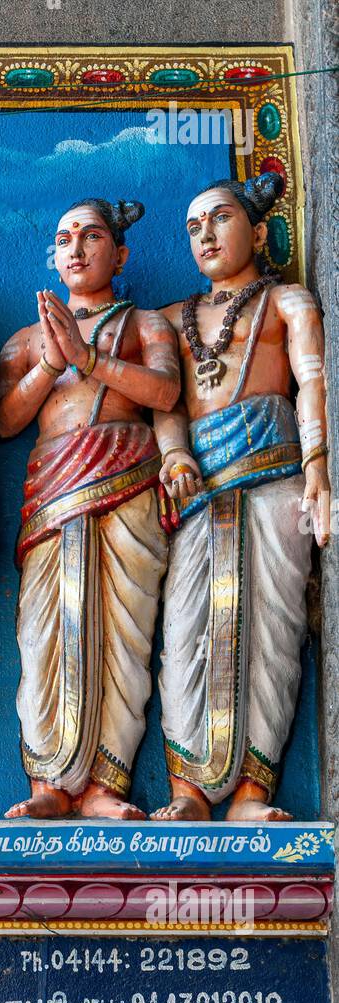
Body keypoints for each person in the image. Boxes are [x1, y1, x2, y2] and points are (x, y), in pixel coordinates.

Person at [152, 173, 330, 822]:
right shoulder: (172, 319)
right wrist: (172, 453)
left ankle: (253, 791)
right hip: (198, 495)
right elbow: (165, 403)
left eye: (218, 220)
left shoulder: (287, 304)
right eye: (193, 227)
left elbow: (311, 385)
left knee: (271, 635)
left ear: (255, 231)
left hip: (273, 479)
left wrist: (315, 467)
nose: (204, 236)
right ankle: (188, 791)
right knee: (186, 634)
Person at [0, 197, 180, 820]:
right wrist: (53, 361)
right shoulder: (27, 339)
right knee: (47, 633)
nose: (76, 248)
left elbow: (164, 391)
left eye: (92, 236)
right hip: (53, 489)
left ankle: (106, 786)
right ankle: (48, 782)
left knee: (122, 637)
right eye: (64, 237)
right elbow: (5, 419)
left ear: (120, 254)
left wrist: (92, 359)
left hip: (127, 483)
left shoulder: (145, 323)